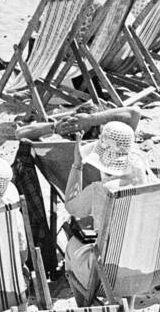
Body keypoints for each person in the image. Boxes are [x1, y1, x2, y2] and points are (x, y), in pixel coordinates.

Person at [62, 124, 153, 302]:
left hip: (110, 276)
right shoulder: (151, 183)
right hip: (150, 268)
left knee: (72, 244)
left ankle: (87, 310)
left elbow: (70, 206)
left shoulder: (102, 190)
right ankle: (128, 311)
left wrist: (77, 165)